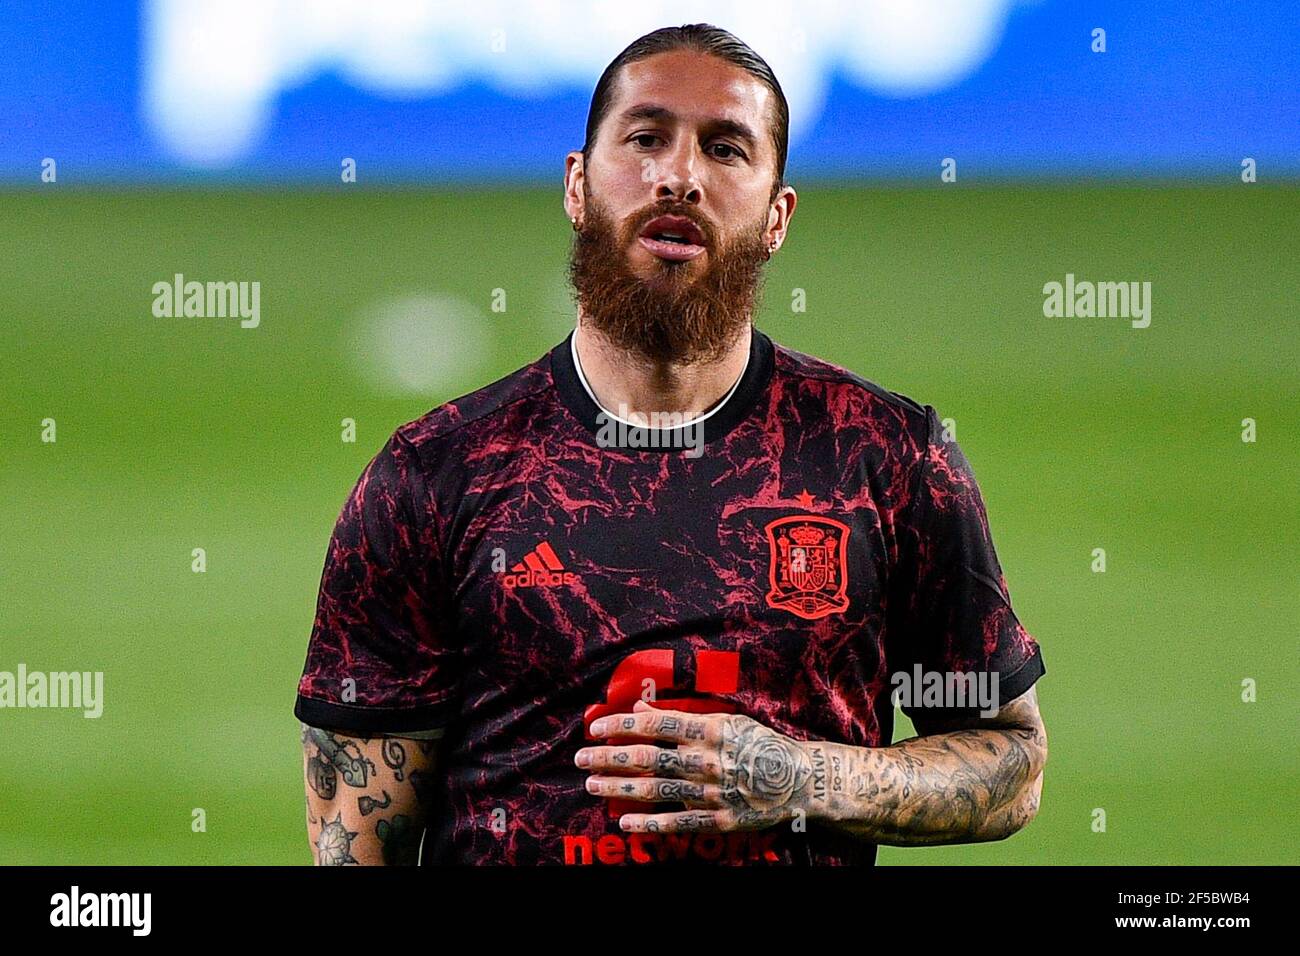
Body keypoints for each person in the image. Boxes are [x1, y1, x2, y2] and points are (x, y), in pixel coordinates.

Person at [296, 23, 1047, 866]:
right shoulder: (432, 476)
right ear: (578, 185)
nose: (679, 176)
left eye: (725, 149)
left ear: (777, 216)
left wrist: (803, 777)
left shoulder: (887, 458)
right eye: (646, 138)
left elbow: (1010, 763)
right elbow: (355, 843)